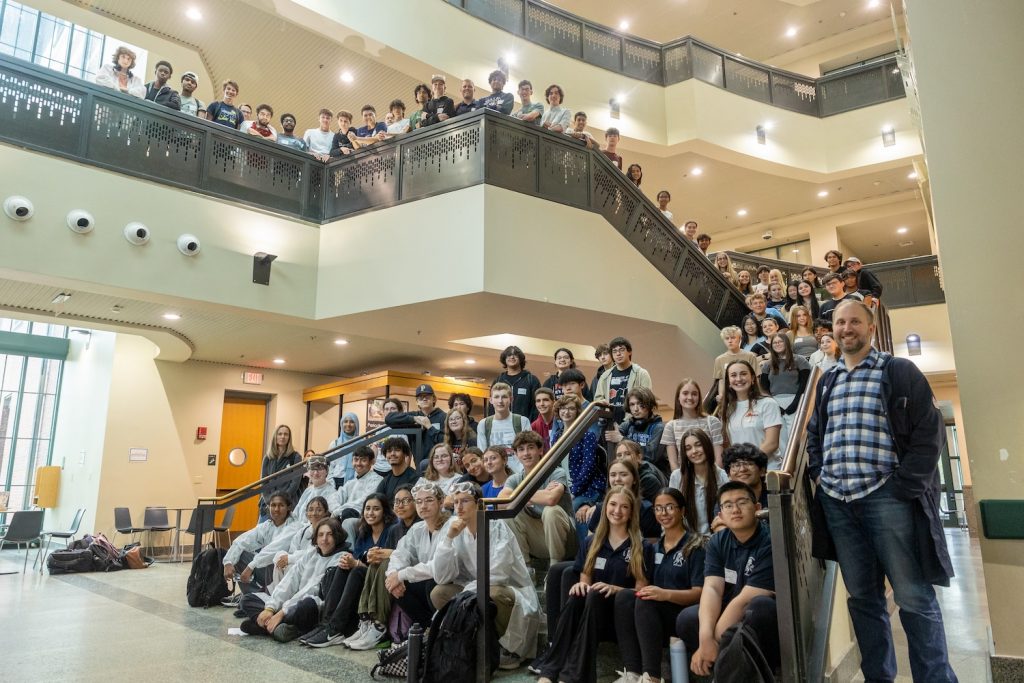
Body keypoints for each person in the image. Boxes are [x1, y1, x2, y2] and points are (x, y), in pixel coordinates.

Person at [807, 300, 957, 683]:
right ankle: (878, 677)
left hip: (886, 498)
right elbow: (814, 435)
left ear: (870, 328)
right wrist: (819, 473)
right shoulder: (829, 380)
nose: (846, 328)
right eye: (840, 322)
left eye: (854, 321)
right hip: (839, 504)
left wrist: (904, 485)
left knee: (913, 598)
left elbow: (930, 432)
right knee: (863, 601)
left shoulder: (898, 371)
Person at [534, 486, 649, 683]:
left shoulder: (640, 546)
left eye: (624, 507)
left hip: (619, 617)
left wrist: (615, 589)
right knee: (579, 595)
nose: (617, 511)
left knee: (595, 594)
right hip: (592, 611)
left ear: (631, 512)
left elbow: (641, 590)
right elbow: (585, 578)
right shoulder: (591, 542)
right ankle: (549, 672)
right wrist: (581, 586)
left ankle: (572, 676)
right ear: (605, 508)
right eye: (612, 504)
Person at [432, 481, 541, 670]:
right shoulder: (454, 526)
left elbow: (499, 573)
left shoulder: (496, 526)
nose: (459, 507)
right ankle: (470, 640)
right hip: (476, 587)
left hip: (509, 590)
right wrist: (448, 539)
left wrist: (465, 592)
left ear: (479, 502)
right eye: (456, 501)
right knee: (439, 593)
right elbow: (441, 576)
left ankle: (509, 648)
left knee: (492, 593)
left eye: (465, 501)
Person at [677, 481, 778, 678]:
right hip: (730, 613)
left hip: (760, 618)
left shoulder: (770, 539)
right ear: (720, 514)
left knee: (759, 606)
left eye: (742, 502)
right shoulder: (717, 541)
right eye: (728, 505)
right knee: (687, 618)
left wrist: (712, 642)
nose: (736, 510)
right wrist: (705, 638)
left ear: (757, 508)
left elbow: (746, 599)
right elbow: (712, 588)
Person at [615, 488, 706, 682]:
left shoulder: (696, 546)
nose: (663, 513)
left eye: (669, 507)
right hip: (654, 617)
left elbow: (700, 593)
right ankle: (632, 672)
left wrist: (665, 594)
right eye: (658, 508)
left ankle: (652, 676)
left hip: (684, 615)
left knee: (647, 601)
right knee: (626, 597)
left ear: (682, 511)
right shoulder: (652, 547)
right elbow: (644, 586)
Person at [238, 517, 346, 641]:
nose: (324, 539)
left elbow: (312, 591)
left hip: (313, 607)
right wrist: (270, 608)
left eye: (329, 535)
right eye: (321, 535)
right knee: (247, 599)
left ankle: (269, 626)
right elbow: (289, 581)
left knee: (307, 605)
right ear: (316, 538)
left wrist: (281, 612)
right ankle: (279, 628)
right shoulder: (311, 554)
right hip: (290, 604)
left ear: (337, 536)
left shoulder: (340, 558)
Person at [500, 431, 576, 567]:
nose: (526, 453)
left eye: (530, 447)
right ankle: (527, 568)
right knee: (508, 514)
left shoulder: (556, 472)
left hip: (565, 540)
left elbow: (551, 499)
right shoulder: (514, 479)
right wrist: (541, 494)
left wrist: (519, 496)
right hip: (537, 538)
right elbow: (502, 502)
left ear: (540, 450)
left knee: (550, 511)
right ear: (516, 455)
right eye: (521, 450)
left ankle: (554, 567)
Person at [248, 496, 331, 594]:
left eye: (319, 510)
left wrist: (291, 558)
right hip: (296, 566)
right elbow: (292, 551)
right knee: (279, 556)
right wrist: (289, 558)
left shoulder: (328, 531)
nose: (314, 513)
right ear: (306, 514)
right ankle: (277, 594)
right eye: (311, 510)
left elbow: (316, 553)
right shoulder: (302, 531)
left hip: (314, 570)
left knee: (289, 562)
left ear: (326, 513)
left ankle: (279, 595)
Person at [222, 491, 298, 596]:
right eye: (273, 505)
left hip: (285, 573)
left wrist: (251, 566)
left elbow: (274, 548)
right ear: (268, 507)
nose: (276, 509)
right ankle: (253, 595)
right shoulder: (267, 526)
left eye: (281, 505)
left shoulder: (294, 525)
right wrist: (228, 562)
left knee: (274, 558)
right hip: (267, 571)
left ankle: (266, 598)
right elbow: (242, 541)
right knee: (240, 553)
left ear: (288, 507)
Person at [718, 360, 782, 469]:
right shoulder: (727, 409)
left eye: (743, 374)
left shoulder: (768, 403)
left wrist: (748, 464)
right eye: (733, 375)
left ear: (752, 378)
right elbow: (728, 445)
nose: (738, 379)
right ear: (728, 381)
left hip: (766, 470)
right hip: (741, 473)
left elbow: (771, 443)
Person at [671, 429, 729, 537]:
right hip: (688, 540)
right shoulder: (677, 476)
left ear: (707, 446)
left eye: (698, 445)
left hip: (716, 539)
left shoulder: (723, 476)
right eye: (688, 448)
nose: (694, 451)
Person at [553, 394, 605, 516]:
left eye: (571, 408)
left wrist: (574, 491)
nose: (566, 412)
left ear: (577, 411)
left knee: (572, 510)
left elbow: (589, 466)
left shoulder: (587, 435)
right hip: (564, 487)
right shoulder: (557, 436)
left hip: (587, 488)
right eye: (563, 408)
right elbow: (554, 465)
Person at [760, 333, 811, 453]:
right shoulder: (768, 364)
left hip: (795, 401)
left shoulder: (800, 360)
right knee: (780, 439)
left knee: (796, 438)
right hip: (775, 403)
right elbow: (764, 389)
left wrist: (795, 404)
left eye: (780, 341)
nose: (777, 344)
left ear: (786, 343)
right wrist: (774, 405)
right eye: (775, 343)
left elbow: (805, 385)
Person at [663, 378, 725, 471]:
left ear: (699, 397)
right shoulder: (670, 427)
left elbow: (719, 459)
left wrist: (713, 480)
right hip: (684, 480)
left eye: (694, 394)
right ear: (678, 398)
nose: (690, 397)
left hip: (712, 478)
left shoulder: (712, 422)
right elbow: (674, 464)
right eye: (685, 393)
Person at [710, 444, 770, 533]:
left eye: (749, 463)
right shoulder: (724, 498)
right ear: (729, 475)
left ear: (762, 471)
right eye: (736, 465)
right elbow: (720, 529)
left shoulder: (774, 495)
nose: (742, 469)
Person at [593, 336, 653, 424]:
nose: (618, 354)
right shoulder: (605, 376)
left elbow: (648, 400)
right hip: (610, 422)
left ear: (629, 352)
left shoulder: (641, 373)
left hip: (634, 422)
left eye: (621, 350)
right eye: (614, 351)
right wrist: (602, 402)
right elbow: (597, 399)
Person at [384, 383, 447, 465]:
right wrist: (414, 419)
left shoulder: (444, 417)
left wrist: (430, 427)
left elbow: (446, 440)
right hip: (420, 466)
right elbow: (389, 419)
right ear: (417, 402)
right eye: (420, 398)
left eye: (427, 396)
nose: (424, 399)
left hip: (440, 463)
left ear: (434, 399)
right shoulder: (413, 415)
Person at [605, 387, 664, 470]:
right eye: (632, 404)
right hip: (632, 471)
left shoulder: (659, 427)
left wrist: (622, 439)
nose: (635, 409)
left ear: (649, 405)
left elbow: (651, 456)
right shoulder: (628, 424)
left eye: (640, 404)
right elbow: (611, 435)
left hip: (652, 472)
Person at [708, 326, 760, 418]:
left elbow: (756, 377)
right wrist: (721, 395)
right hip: (730, 397)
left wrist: (757, 394)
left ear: (739, 338)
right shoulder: (719, 359)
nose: (730, 341)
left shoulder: (750, 356)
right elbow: (721, 380)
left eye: (733, 337)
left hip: (749, 395)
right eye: (727, 338)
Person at [337, 446, 383, 539]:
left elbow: (364, 502)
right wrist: (335, 510)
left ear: (372, 462)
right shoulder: (351, 482)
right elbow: (336, 497)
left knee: (347, 512)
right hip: (345, 514)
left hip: (364, 517)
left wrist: (338, 511)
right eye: (356, 460)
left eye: (363, 460)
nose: (358, 463)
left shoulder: (377, 480)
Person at [259, 425, 301, 522]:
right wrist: (269, 501)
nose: (283, 437)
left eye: (286, 434)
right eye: (280, 434)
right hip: (268, 504)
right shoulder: (268, 457)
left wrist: (282, 500)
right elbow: (263, 482)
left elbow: (295, 483)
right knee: (262, 533)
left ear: (289, 438)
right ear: (275, 436)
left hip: (286, 503)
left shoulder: (295, 457)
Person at [490, 345, 541, 420]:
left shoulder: (531, 380)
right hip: (501, 426)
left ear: (521, 359)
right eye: (509, 355)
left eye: (515, 355)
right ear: (504, 359)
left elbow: (536, 406)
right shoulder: (498, 380)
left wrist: (530, 425)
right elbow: (491, 406)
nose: (512, 357)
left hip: (525, 427)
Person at [290, 455, 343, 521]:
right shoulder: (308, 490)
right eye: (313, 469)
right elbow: (296, 513)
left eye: (320, 469)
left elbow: (335, 511)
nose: (316, 473)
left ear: (326, 472)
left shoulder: (332, 493)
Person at [375, 437, 420, 501]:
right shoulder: (385, 481)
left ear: (405, 454)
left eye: (397, 450)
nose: (392, 454)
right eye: (389, 451)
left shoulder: (415, 478)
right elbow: (378, 502)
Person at [326, 412, 361, 488]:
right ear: (342, 424)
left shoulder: (362, 443)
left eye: (352, 422)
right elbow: (330, 466)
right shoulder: (335, 444)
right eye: (345, 421)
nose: (348, 424)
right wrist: (331, 482)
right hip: (336, 481)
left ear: (356, 425)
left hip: (355, 481)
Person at [531, 387, 556, 452]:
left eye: (545, 400)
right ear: (535, 404)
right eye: (538, 401)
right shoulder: (533, 427)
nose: (541, 404)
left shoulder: (562, 423)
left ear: (553, 402)